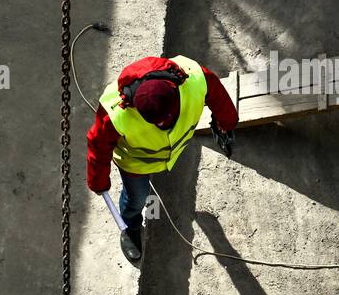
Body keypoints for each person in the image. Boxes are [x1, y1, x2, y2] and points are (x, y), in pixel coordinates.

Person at [86, 54, 238, 261]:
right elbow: (98, 146)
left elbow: (219, 98)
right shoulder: (115, 113)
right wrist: (98, 180)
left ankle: (149, 208)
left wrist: (227, 122)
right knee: (136, 199)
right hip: (136, 166)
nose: (162, 126)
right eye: (155, 123)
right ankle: (131, 226)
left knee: (144, 197)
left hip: (170, 155)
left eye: (166, 120)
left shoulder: (196, 78)